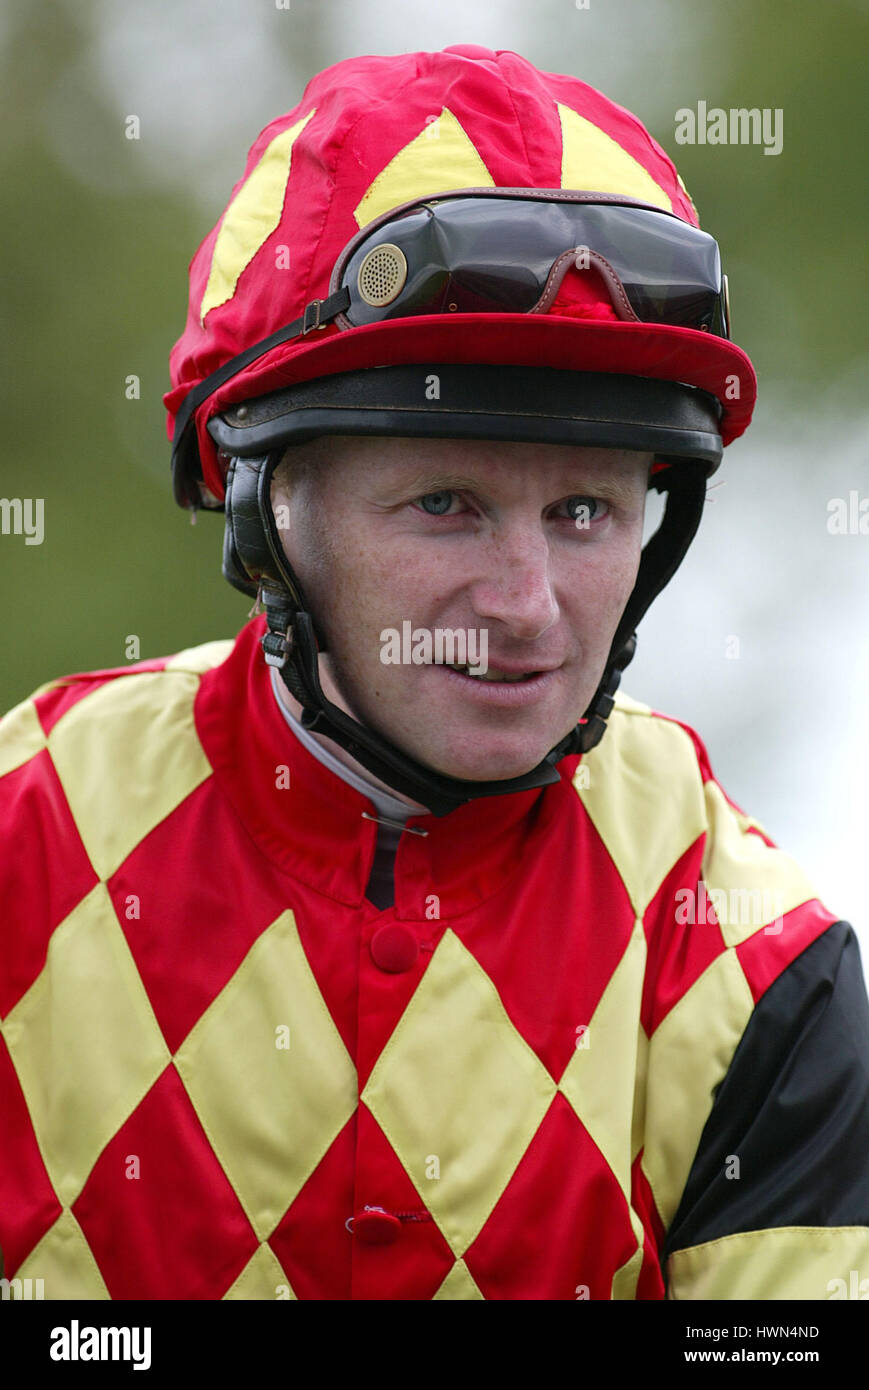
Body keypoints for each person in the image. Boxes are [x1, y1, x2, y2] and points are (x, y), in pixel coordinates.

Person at [1, 44, 867, 1303]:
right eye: (445, 504)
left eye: (582, 511)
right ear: (267, 511)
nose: (524, 606)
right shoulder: (27, 846)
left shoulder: (746, 963)